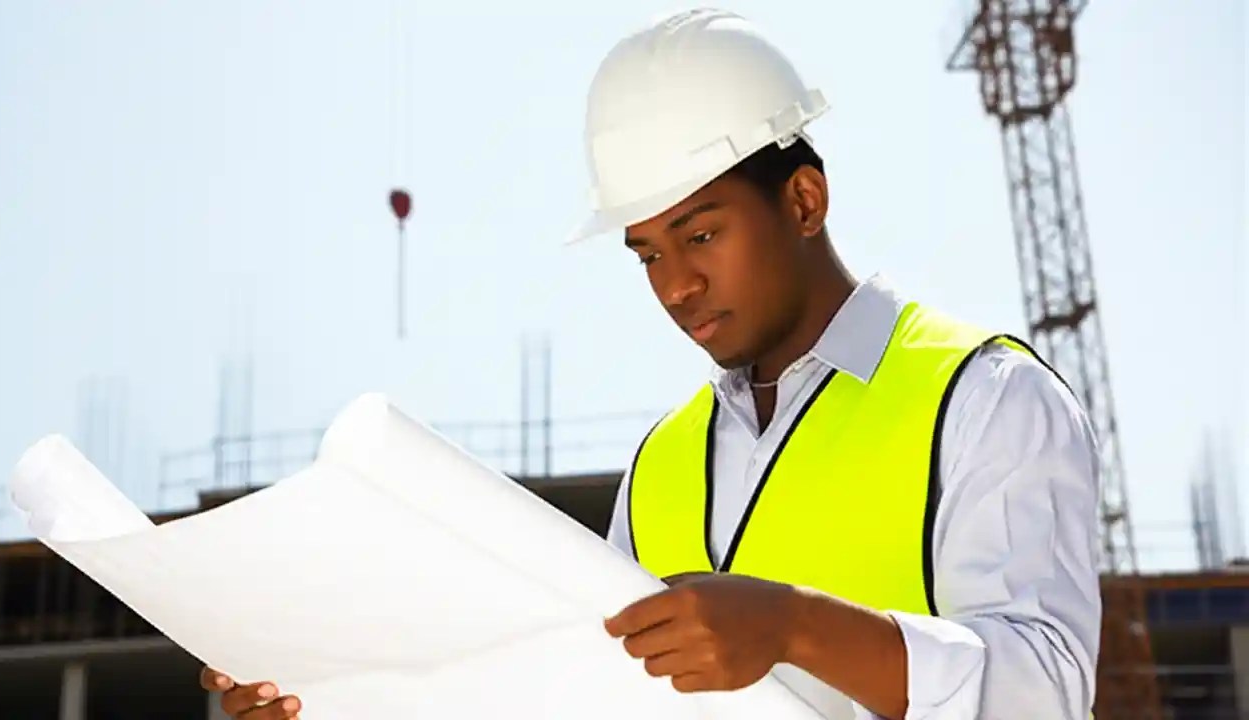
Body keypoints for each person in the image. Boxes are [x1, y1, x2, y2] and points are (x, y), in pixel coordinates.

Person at [201, 8, 1101, 720]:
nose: (675, 286)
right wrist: (337, 703)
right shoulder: (663, 467)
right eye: (646, 254)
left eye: (700, 233)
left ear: (803, 198)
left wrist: (791, 626)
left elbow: (1045, 693)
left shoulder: (982, 396)